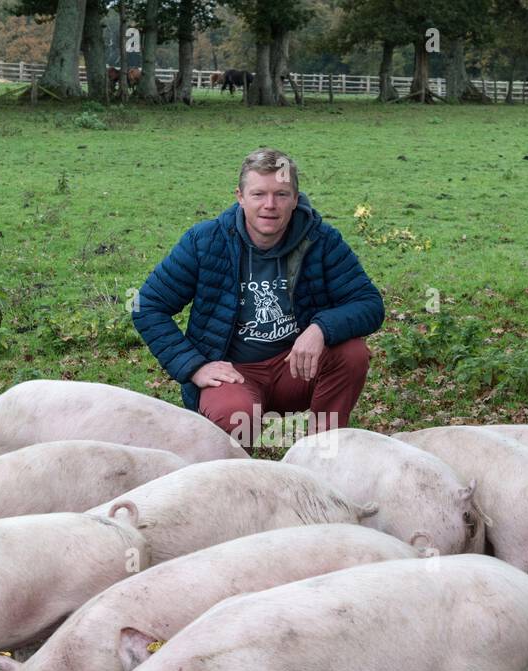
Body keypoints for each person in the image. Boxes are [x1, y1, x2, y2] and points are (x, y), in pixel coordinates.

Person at [131, 147, 383, 447]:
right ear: (240, 196)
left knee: (351, 353)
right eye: (258, 194)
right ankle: (238, 474)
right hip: (234, 374)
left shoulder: (322, 241)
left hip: (295, 368)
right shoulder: (205, 241)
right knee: (235, 416)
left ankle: (323, 452)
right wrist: (194, 366)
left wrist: (321, 328)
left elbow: (369, 304)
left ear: (295, 198)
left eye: (281, 194)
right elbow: (146, 305)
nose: (270, 205)